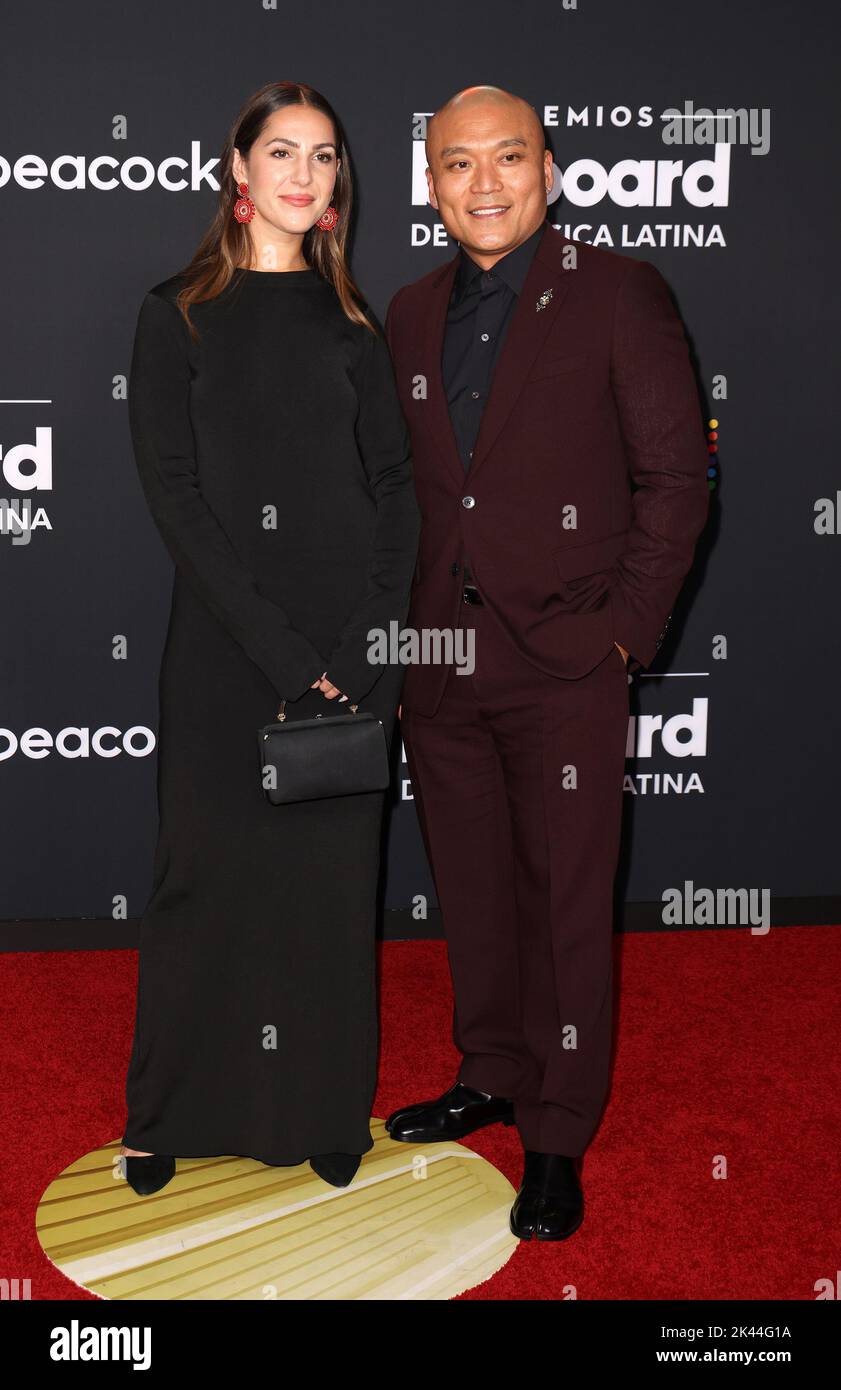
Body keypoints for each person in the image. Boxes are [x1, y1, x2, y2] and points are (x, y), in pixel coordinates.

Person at [384, 85, 709, 1240]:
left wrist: (623, 632)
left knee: (568, 904)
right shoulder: (410, 311)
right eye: (457, 164)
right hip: (439, 662)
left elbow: (675, 481)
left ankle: (559, 1130)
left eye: (507, 158)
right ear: (431, 186)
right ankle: (492, 1068)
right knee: (474, 889)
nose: (483, 183)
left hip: (568, 655)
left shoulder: (617, 291)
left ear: (551, 169)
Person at [120, 80, 420, 1197]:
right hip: (226, 647)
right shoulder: (175, 314)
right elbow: (176, 498)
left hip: (356, 648)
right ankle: (166, 1117)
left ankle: (322, 1106)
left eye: (327, 155)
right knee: (200, 880)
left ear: (341, 183)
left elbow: (396, 490)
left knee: (330, 889)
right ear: (237, 173)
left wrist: (367, 639)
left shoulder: (353, 325)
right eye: (281, 151)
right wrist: (294, 655)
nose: (306, 171)